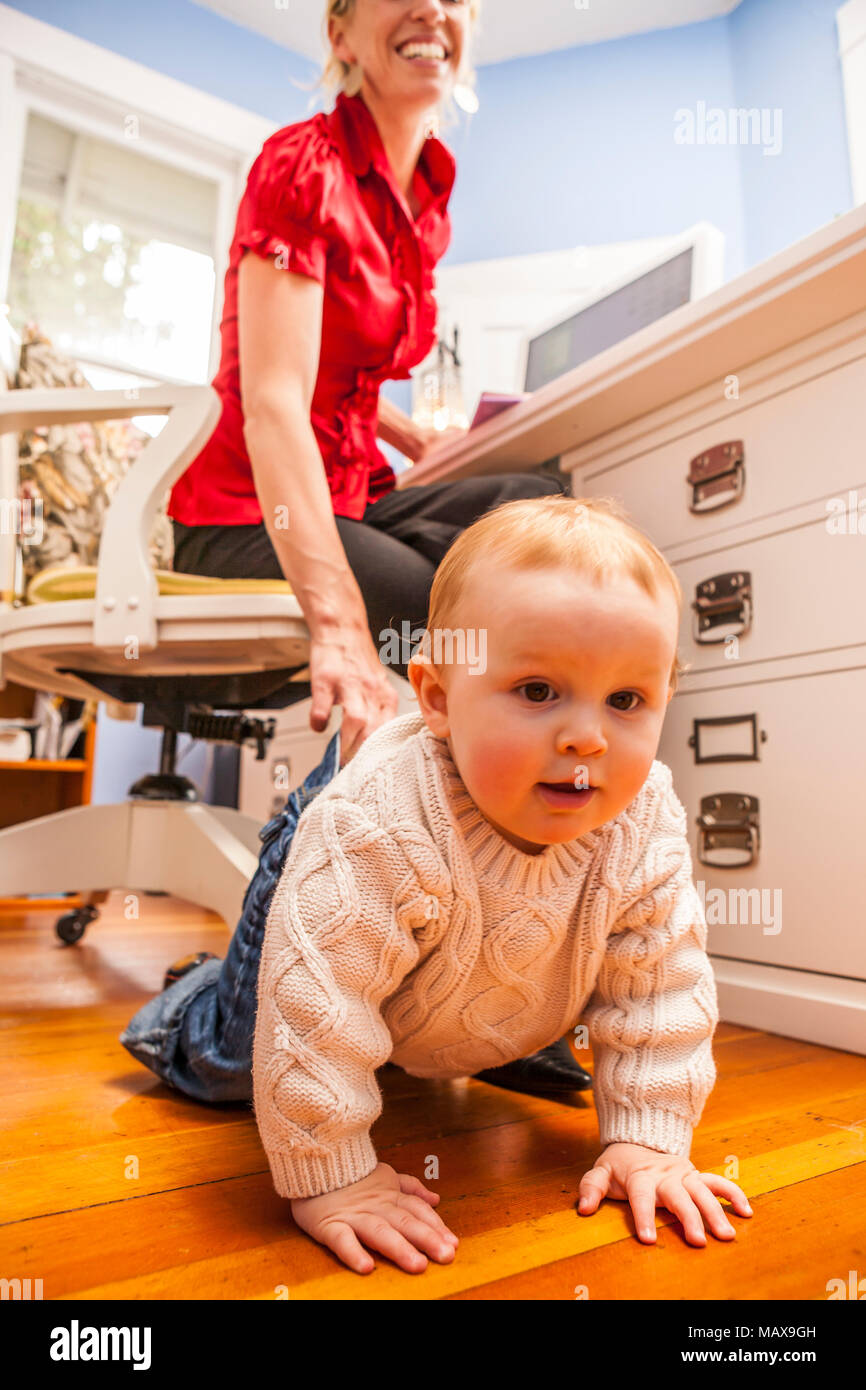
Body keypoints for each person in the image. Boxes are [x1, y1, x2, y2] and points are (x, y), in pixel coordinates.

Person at [123, 0, 589, 1097]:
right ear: (340, 30)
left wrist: (404, 432)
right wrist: (338, 626)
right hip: (248, 513)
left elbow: (337, 367)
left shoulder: (424, 192)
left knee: (535, 525)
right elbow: (272, 401)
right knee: (454, 615)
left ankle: (507, 967)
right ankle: (254, 1011)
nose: (430, 8)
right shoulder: (300, 165)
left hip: (348, 487)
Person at [250, 494, 754, 1275]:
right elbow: (312, 1008)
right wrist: (332, 1179)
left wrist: (649, 1139)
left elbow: (661, 985)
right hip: (302, 957)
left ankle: (475, 1039)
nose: (587, 735)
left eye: (626, 700)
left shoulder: (642, 812)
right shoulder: (379, 818)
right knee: (234, 1053)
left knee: (525, 983)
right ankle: (190, 1006)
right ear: (439, 699)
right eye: (538, 691)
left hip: (467, 992)